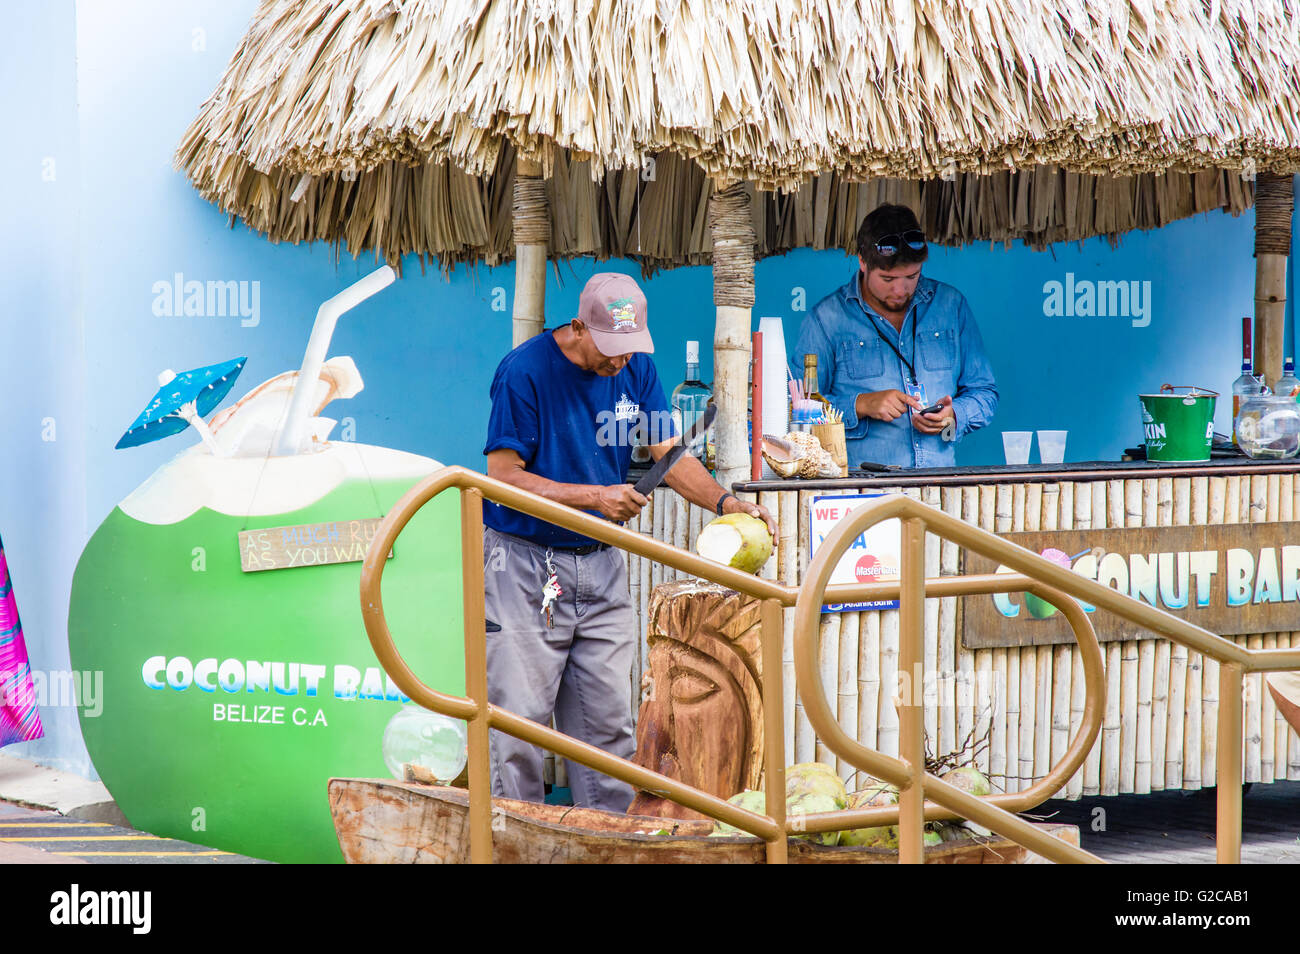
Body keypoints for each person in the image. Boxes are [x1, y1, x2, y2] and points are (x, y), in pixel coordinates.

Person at [481, 272, 775, 813]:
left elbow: (671, 455)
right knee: (517, 726)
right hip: (523, 565)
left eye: (630, 348)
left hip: (600, 564)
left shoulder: (635, 367)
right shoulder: (524, 371)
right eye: (611, 349)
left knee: (608, 729)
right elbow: (502, 475)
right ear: (577, 327)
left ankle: (608, 843)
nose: (621, 361)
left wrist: (727, 503)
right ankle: (512, 842)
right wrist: (596, 498)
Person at [795, 204, 998, 469]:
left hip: (937, 486)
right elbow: (798, 410)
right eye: (888, 279)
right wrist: (860, 404)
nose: (901, 289)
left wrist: (954, 416)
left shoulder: (951, 306)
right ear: (863, 262)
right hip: (863, 492)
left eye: (912, 276)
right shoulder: (826, 319)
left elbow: (984, 393)